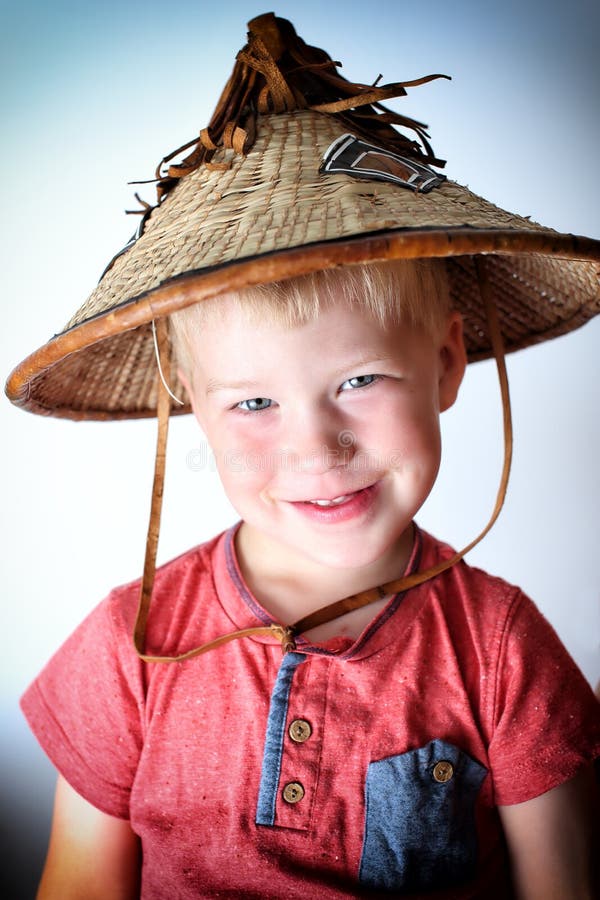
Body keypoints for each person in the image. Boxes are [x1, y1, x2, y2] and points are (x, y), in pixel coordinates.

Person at [7, 13, 599, 900]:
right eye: (254, 402)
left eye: (360, 380)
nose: (316, 449)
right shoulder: (132, 645)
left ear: (445, 363)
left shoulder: (502, 652)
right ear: (192, 405)